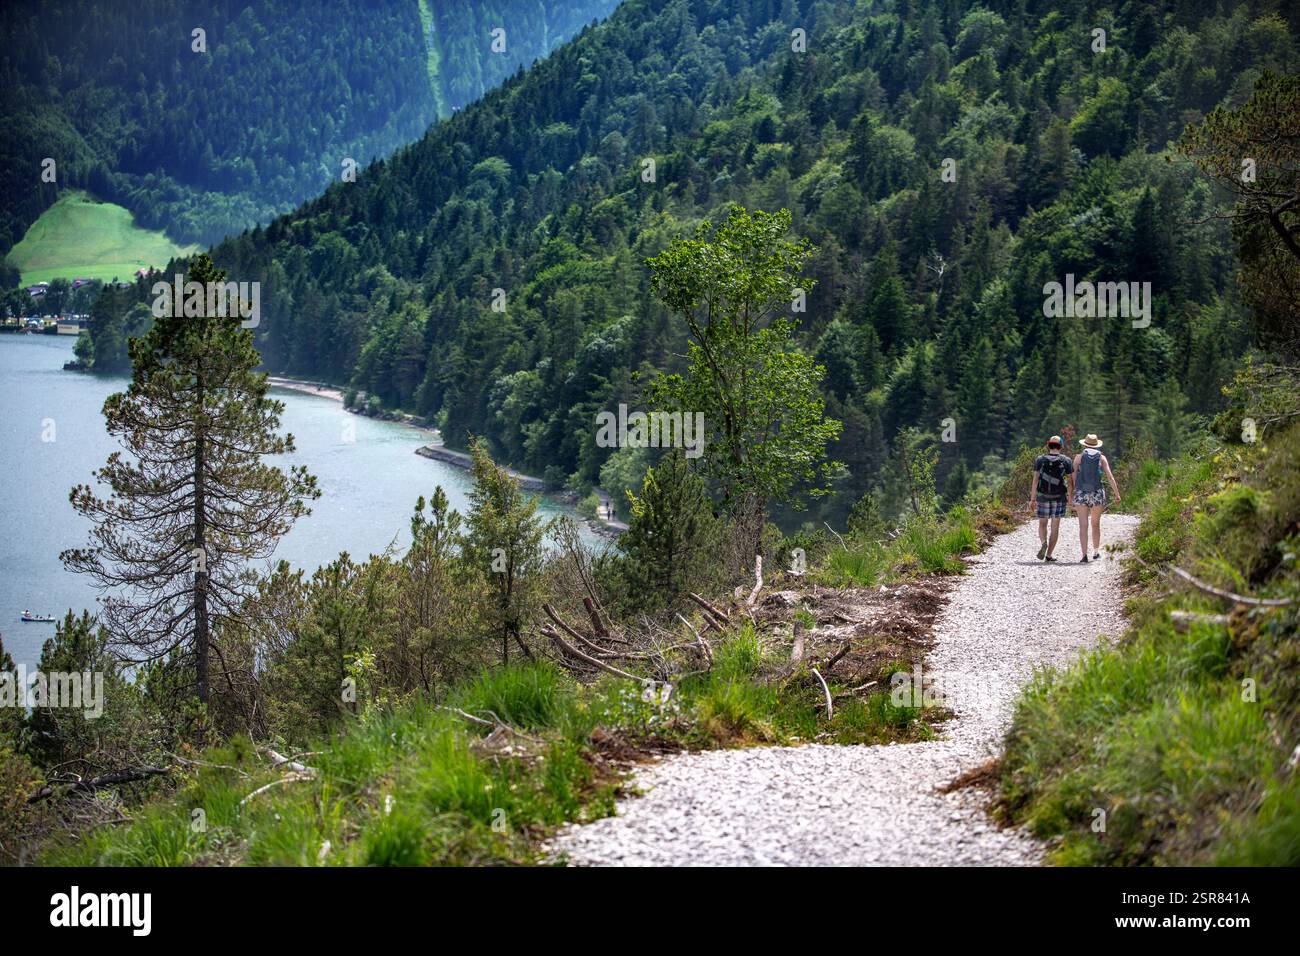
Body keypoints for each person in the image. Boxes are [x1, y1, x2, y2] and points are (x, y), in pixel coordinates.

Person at [1073, 433, 1121, 562]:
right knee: (1095, 524)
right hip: (1097, 493)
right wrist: (1117, 494)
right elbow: (1110, 477)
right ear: (1097, 445)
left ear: (1085, 444)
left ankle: (1084, 555)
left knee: (1083, 525)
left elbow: (1073, 477)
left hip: (1081, 493)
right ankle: (1095, 552)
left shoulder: (1079, 457)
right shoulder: (1102, 458)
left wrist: (1072, 492)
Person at [1030, 435, 1074, 562]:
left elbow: (1035, 480)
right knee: (1055, 527)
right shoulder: (1066, 460)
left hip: (1043, 496)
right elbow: (1070, 482)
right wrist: (1070, 499)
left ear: (1048, 445)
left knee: (1042, 524)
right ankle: (1049, 555)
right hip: (1059, 497)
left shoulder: (1040, 460)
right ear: (1061, 446)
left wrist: (1032, 499)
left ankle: (1043, 542)